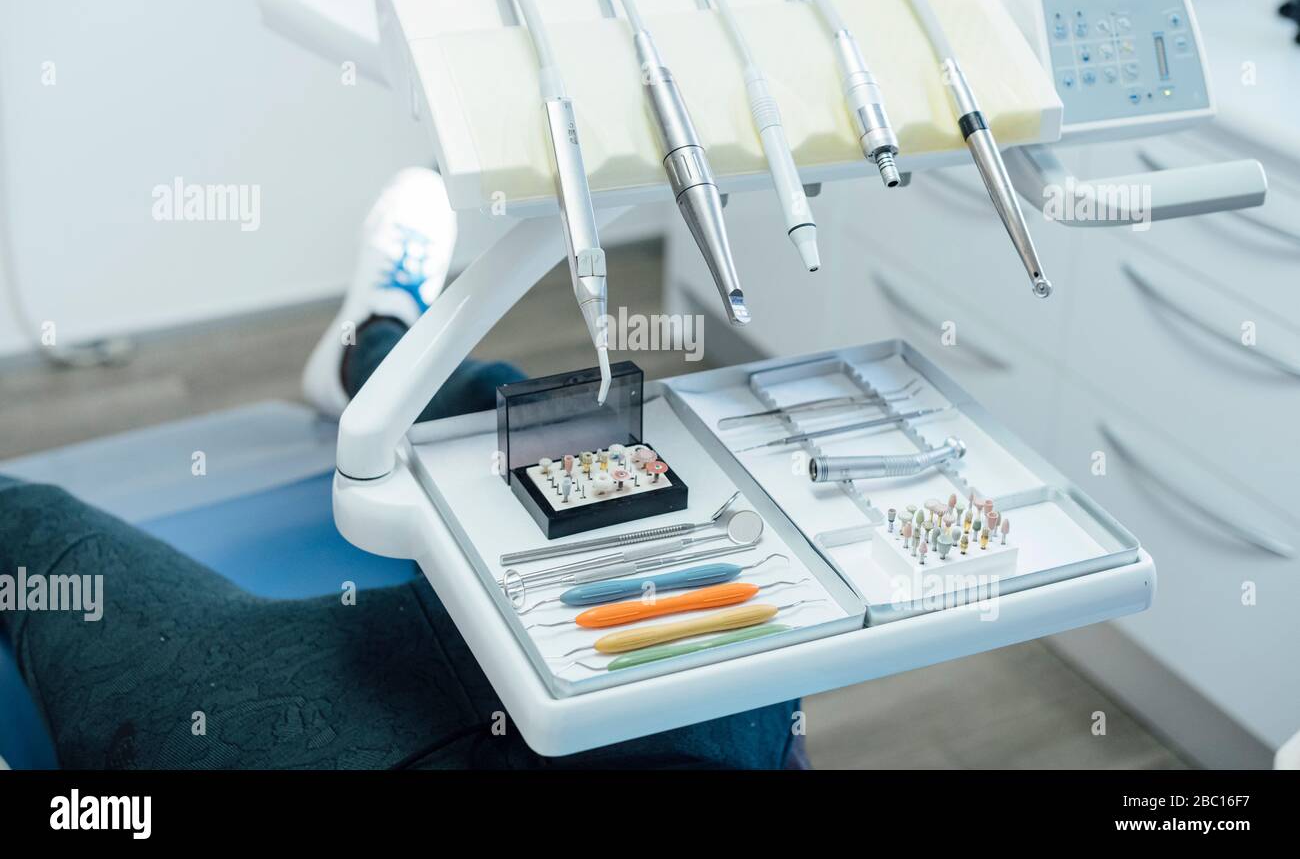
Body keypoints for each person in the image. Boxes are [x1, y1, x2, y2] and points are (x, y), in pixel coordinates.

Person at [0, 169, 804, 769]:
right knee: (556, 437)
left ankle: (382, 347)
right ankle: (375, 347)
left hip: (323, 733)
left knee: (34, 533)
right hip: (676, 728)